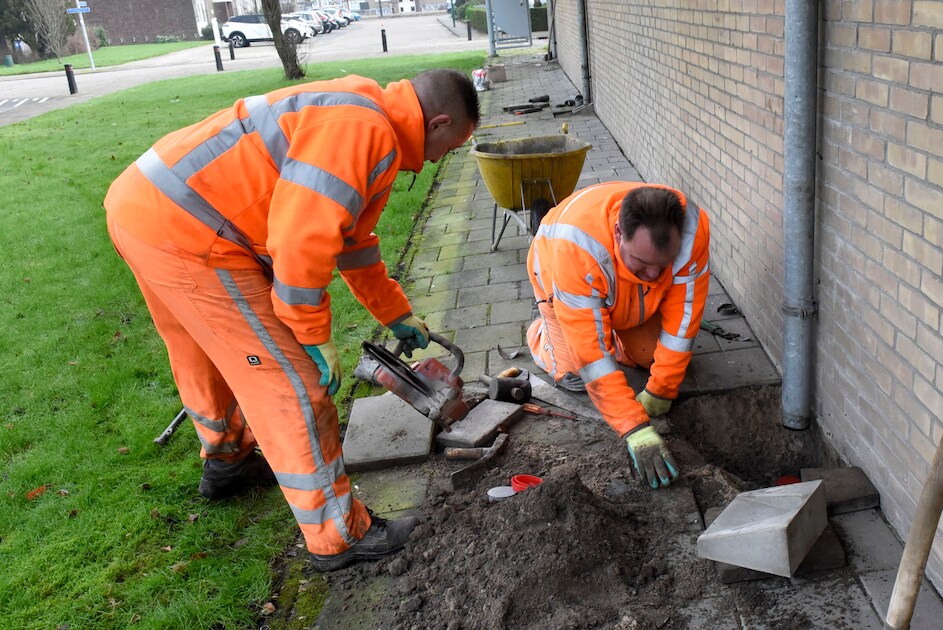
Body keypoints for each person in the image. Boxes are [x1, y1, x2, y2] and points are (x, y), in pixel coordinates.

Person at [104, 69, 479, 571]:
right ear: (438, 123)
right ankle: (339, 535)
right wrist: (311, 334)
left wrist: (396, 312)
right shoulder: (364, 132)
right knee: (292, 383)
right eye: (449, 148)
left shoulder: (367, 113)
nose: (441, 160)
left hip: (148, 208)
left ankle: (227, 459)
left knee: (206, 354)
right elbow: (301, 240)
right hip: (195, 231)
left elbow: (351, 240)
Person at [525, 182, 711, 489]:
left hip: (624, 295)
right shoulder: (578, 249)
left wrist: (662, 389)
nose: (653, 275)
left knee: (652, 359)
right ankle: (542, 333)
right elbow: (592, 355)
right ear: (617, 234)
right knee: (574, 376)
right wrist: (633, 426)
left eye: (662, 266)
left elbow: (683, 318)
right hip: (559, 280)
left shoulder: (693, 234)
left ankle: (614, 328)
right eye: (642, 263)